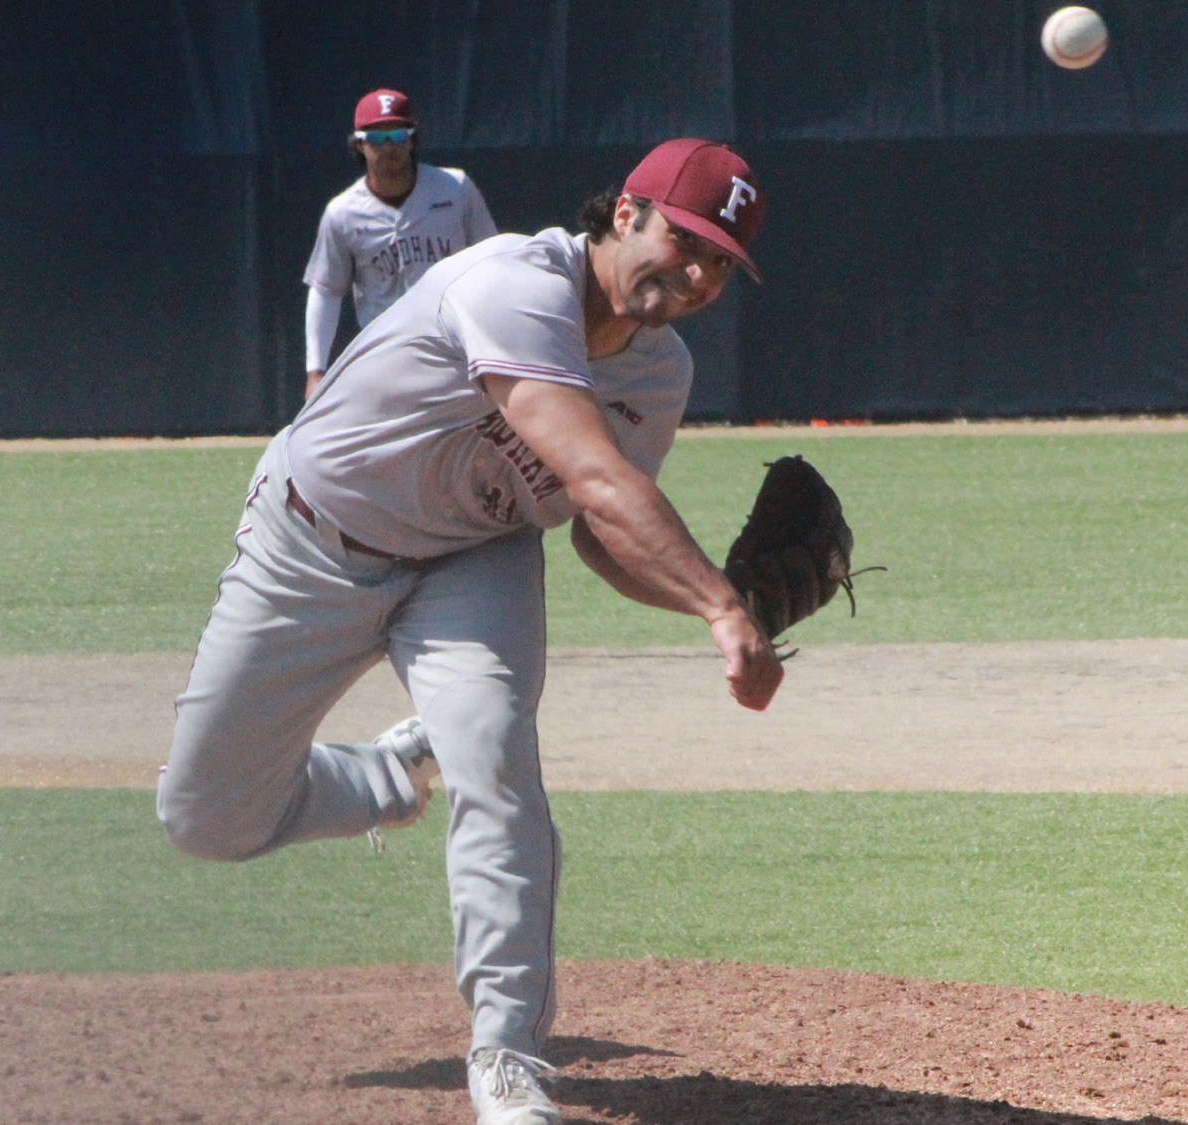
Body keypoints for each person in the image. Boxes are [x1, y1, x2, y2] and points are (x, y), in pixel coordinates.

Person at [160, 138, 778, 1125]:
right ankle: (384, 778)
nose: (698, 276)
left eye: (720, 263)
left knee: (496, 767)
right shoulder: (514, 282)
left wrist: (711, 608)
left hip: (470, 558)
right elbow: (591, 476)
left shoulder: (658, 374)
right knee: (204, 817)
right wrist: (717, 601)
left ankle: (506, 1059)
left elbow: (600, 537)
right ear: (625, 215)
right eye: (685, 241)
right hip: (312, 542)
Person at [301, 87, 498, 399]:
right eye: (377, 137)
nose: (389, 146)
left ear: (412, 138)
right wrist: (316, 371)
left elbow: (493, 264)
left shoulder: (455, 189)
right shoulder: (343, 212)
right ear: (360, 144)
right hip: (386, 351)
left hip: (457, 344)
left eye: (397, 134)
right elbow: (326, 290)